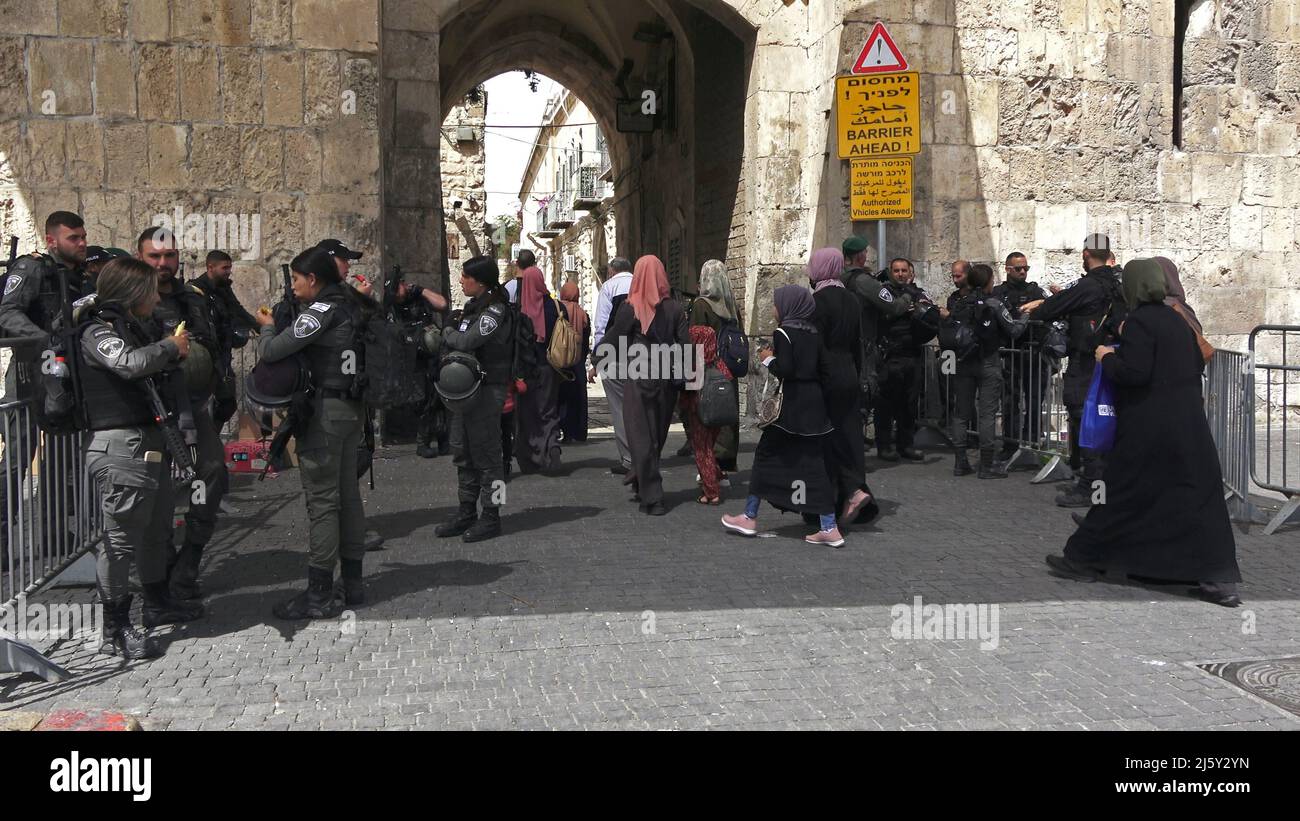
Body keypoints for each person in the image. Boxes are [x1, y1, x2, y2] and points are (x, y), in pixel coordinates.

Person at [1046, 259, 1242, 607]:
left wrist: (1106, 356)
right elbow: (1194, 363)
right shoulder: (1176, 320)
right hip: (1189, 428)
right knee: (1195, 499)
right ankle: (1216, 578)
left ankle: (1083, 558)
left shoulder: (1139, 322)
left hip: (1149, 429)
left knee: (1119, 493)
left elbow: (1133, 373)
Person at [77, 257, 201, 658]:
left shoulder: (133, 327)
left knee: (155, 531)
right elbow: (127, 365)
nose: (155, 296)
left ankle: (157, 603)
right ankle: (115, 629)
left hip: (149, 442)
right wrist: (168, 347)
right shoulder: (97, 330)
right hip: (119, 447)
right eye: (149, 289)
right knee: (119, 542)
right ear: (133, 293)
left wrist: (171, 353)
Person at [253, 246, 369, 618]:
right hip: (353, 410)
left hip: (326, 415)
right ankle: (353, 586)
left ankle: (318, 596)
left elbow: (274, 352)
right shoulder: (354, 303)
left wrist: (267, 328)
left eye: (298, 279)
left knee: (322, 503)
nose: (295, 286)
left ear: (313, 279)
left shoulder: (321, 311)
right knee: (348, 497)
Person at [137, 227, 227, 602]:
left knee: (211, 473)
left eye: (169, 256)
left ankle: (190, 557)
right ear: (140, 257)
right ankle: (162, 574)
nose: (163, 263)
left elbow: (210, 342)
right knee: (153, 495)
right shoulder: (129, 298)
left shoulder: (194, 298)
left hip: (190, 407)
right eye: (154, 257)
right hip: (146, 411)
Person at [722, 285, 844, 547]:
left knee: (765, 456)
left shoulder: (783, 333)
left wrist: (767, 359)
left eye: (777, 304)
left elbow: (785, 369)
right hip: (815, 407)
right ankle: (829, 526)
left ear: (788, 306)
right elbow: (826, 370)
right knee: (814, 466)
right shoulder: (813, 332)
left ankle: (749, 516)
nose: (775, 309)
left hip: (791, 409)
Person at [0, 211, 91, 562]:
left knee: (59, 457)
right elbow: (7, 312)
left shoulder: (77, 274)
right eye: (74, 238)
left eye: (83, 236)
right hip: (29, 373)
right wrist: (44, 340)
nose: (81, 243)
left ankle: (53, 536)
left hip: (61, 374)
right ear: (52, 240)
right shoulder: (32, 268)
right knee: (18, 458)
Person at [1022, 234, 1124, 507]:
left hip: (1087, 361)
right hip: (1112, 361)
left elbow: (1049, 310)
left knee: (1085, 420)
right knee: (1104, 422)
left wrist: (1045, 305)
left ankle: (1092, 486)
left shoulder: (1088, 285)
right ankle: (1100, 483)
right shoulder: (1118, 283)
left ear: (1086, 255)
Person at [434, 256, 515, 542]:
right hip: (465, 392)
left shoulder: (496, 310)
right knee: (462, 451)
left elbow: (469, 342)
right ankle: (466, 510)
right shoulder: (470, 309)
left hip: (488, 390)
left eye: (465, 276)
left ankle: (492, 515)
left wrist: (447, 332)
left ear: (480, 281)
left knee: (489, 455)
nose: (460, 280)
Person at [605, 255, 688, 515]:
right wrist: (690, 382)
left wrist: (597, 360)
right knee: (655, 436)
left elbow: (614, 338)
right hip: (665, 376)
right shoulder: (674, 308)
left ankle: (653, 496)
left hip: (639, 374)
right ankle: (642, 480)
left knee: (639, 435)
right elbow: (686, 345)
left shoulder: (630, 307)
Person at [809, 248, 875, 524]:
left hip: (827, 377)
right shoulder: (851, 299)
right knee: (848, 437)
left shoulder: (817, 302)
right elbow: (857, 341)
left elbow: (816, 345)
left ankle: (844, 495)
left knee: (826, 439)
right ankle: (854, 491)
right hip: (848, 372)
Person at [947, 264, 1028, 478]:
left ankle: (960, 462)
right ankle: (986, 465)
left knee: (961, 413)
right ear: (987, 282)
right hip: (988, 362)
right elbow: (1014, 330)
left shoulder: (959, 303)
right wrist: (1026, 314)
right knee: (987, 414)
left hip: (963, 362)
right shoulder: (993, 303)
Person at [874, 257, 941, 462]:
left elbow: (931, 315)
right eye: (896, 271)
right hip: (890, 356)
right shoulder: (883, 293)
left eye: (904, 271)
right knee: (885, 404)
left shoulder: (918, 294)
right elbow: (881, 316)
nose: (901, 274)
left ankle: (906, 444)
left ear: (910, 273)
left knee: (909, 404)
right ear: (890, 272)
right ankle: (884, 446)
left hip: (912, 355)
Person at [190, 249, 259, 432]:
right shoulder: (195, 290)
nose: (229, 271)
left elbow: (238, 310)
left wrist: (260, 327)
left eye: (230, 267)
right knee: (200, 407)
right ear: (210, 267)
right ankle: (205, 443)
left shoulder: (223, 288)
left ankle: (211, 437)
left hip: (223, 356)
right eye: (225, 267)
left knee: (227, 404)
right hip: (205, 358)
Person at [992, 251, 1050, 459]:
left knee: (1035, 399)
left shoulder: (1035, 290)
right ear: (1007, 269)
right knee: (1010, 401)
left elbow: (1052, 305)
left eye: (1026, 268)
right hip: (1010, 355)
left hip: (1034, 353)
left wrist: (1037, 304)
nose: (1023, 271)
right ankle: (1010, 445)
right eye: (1018, 268)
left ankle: (1033, 441)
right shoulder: (999, 292)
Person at [689, 259, 743, 473]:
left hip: (708, 369)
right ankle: (726, 461)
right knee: (727, 414)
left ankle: (711, 468)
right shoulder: (732, 306)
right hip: (729, 368)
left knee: (707, 415)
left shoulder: (701, 305)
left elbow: (695, 340)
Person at [514, 265, 566, 473]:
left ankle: (531, 456)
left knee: (527, 412)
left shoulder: (519, 310)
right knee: (548, 409)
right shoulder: (556, 306)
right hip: (550, 366)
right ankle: (552, 448)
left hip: (526, 370)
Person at [590, 257, 635, 474]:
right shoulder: (642, 284)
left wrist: (597, 359)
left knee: (619, 408)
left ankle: (628, 459)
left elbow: (601, 325)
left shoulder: (609, 287)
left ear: (611, 271)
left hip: (615, 354)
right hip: (644, 354)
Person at [678, 325, 732, 504]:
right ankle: (716, 475)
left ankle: (711, 491)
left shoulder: (694, 365)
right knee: (709, 447)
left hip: (700, 412)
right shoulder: (719, 363)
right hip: (719, 413)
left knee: (702, 449)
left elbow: (687, 391)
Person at [556, 279, 590, 443]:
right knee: (579, 396)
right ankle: (579, 432)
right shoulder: (583, 313)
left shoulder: (558, 309)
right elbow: (585, 340)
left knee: (561, 396)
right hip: (578, 362)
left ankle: (563, 431)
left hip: (561, 361)